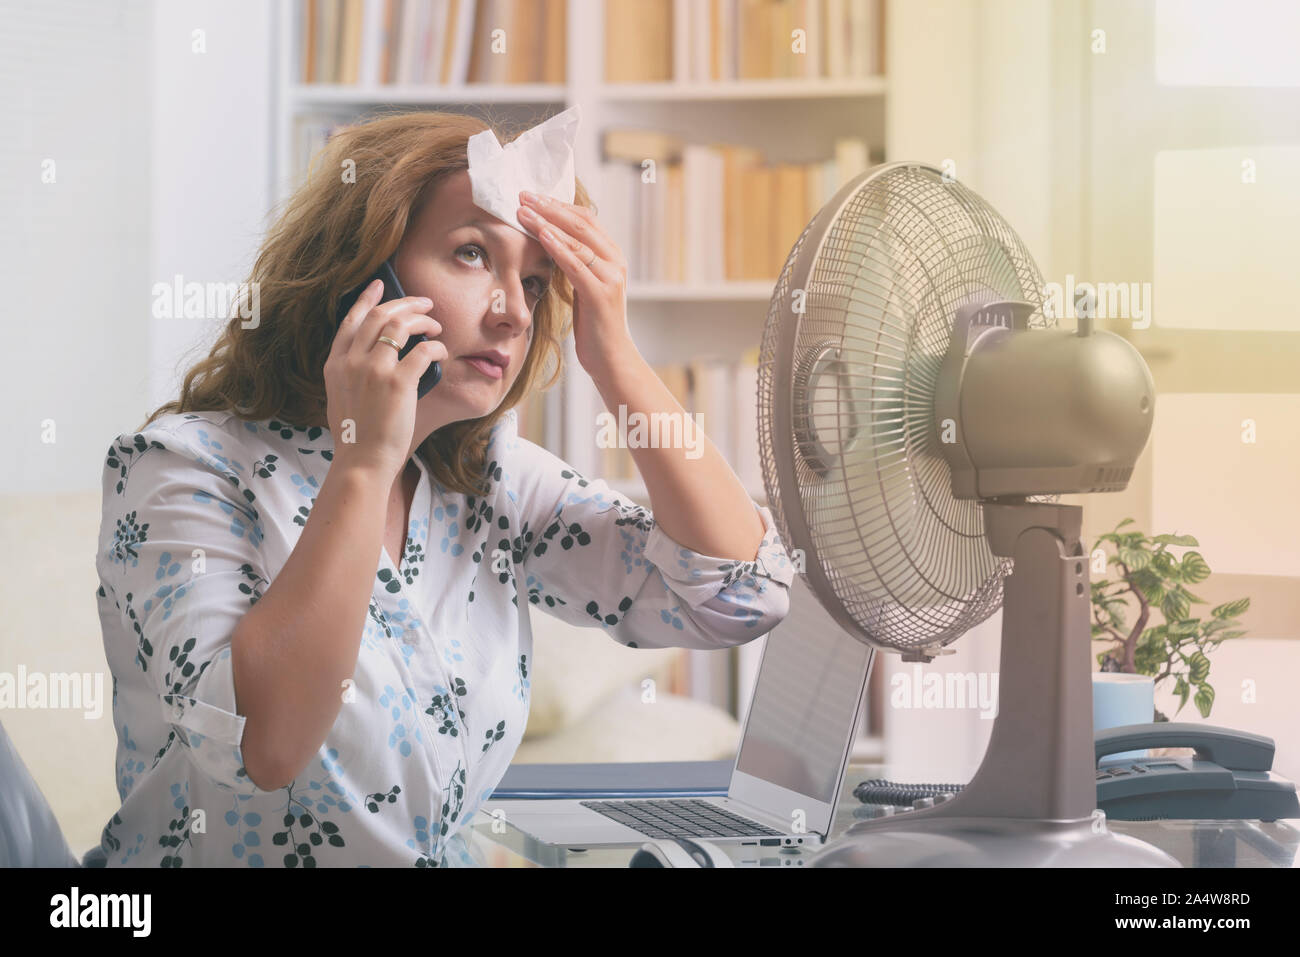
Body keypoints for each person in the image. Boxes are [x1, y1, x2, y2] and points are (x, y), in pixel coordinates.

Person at [88, 111, 794, 867]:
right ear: (362, 276)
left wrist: (616, 357)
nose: (514, 310)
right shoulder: (178, 468)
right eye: (470, 254)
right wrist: (363, 465)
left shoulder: (485, 479)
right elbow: (265, 745)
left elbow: (741, 594)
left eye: (531, 281)